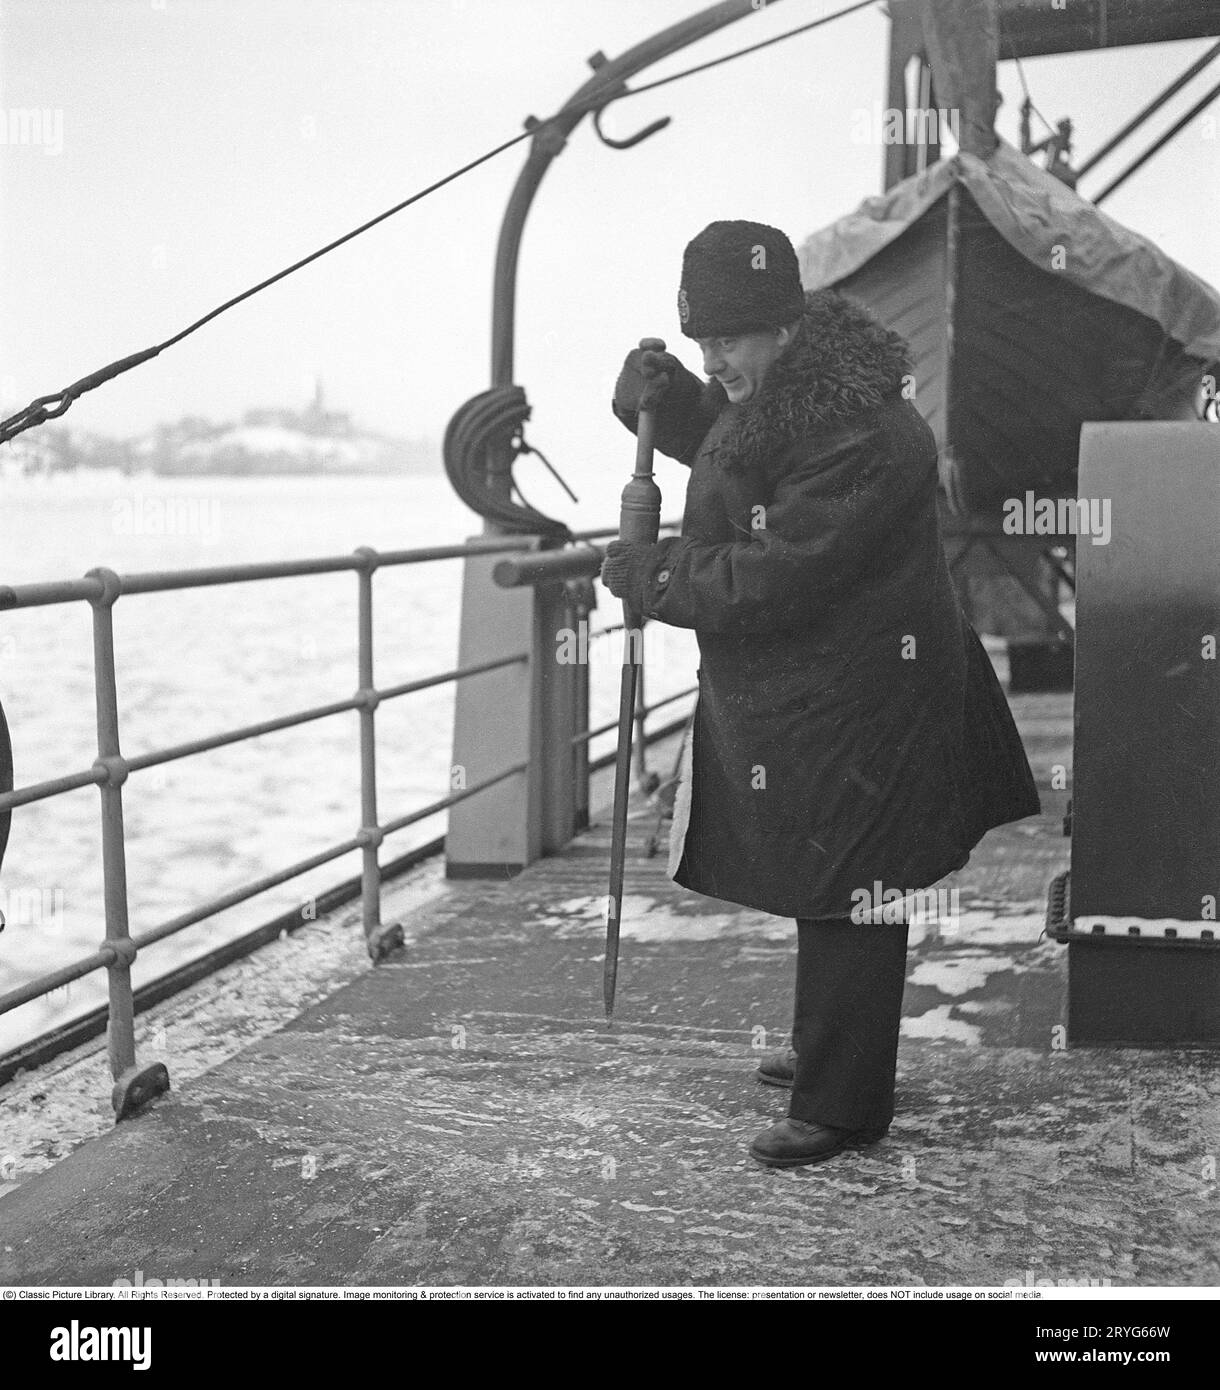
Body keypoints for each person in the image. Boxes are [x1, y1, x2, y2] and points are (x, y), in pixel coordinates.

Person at [601, 219, 1040, 1168]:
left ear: (786, 327)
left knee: (854, 880)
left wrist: (657, 576)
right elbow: (745, 454)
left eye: (728, 342)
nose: (715, 360)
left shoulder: (864, 431)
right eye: (701, 342)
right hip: (823, 689)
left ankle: (843, 1106)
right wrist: (667, 401)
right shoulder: (794, 394)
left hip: (872, 695)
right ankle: (826, 1046)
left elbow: (775, 569)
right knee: (826, 871)